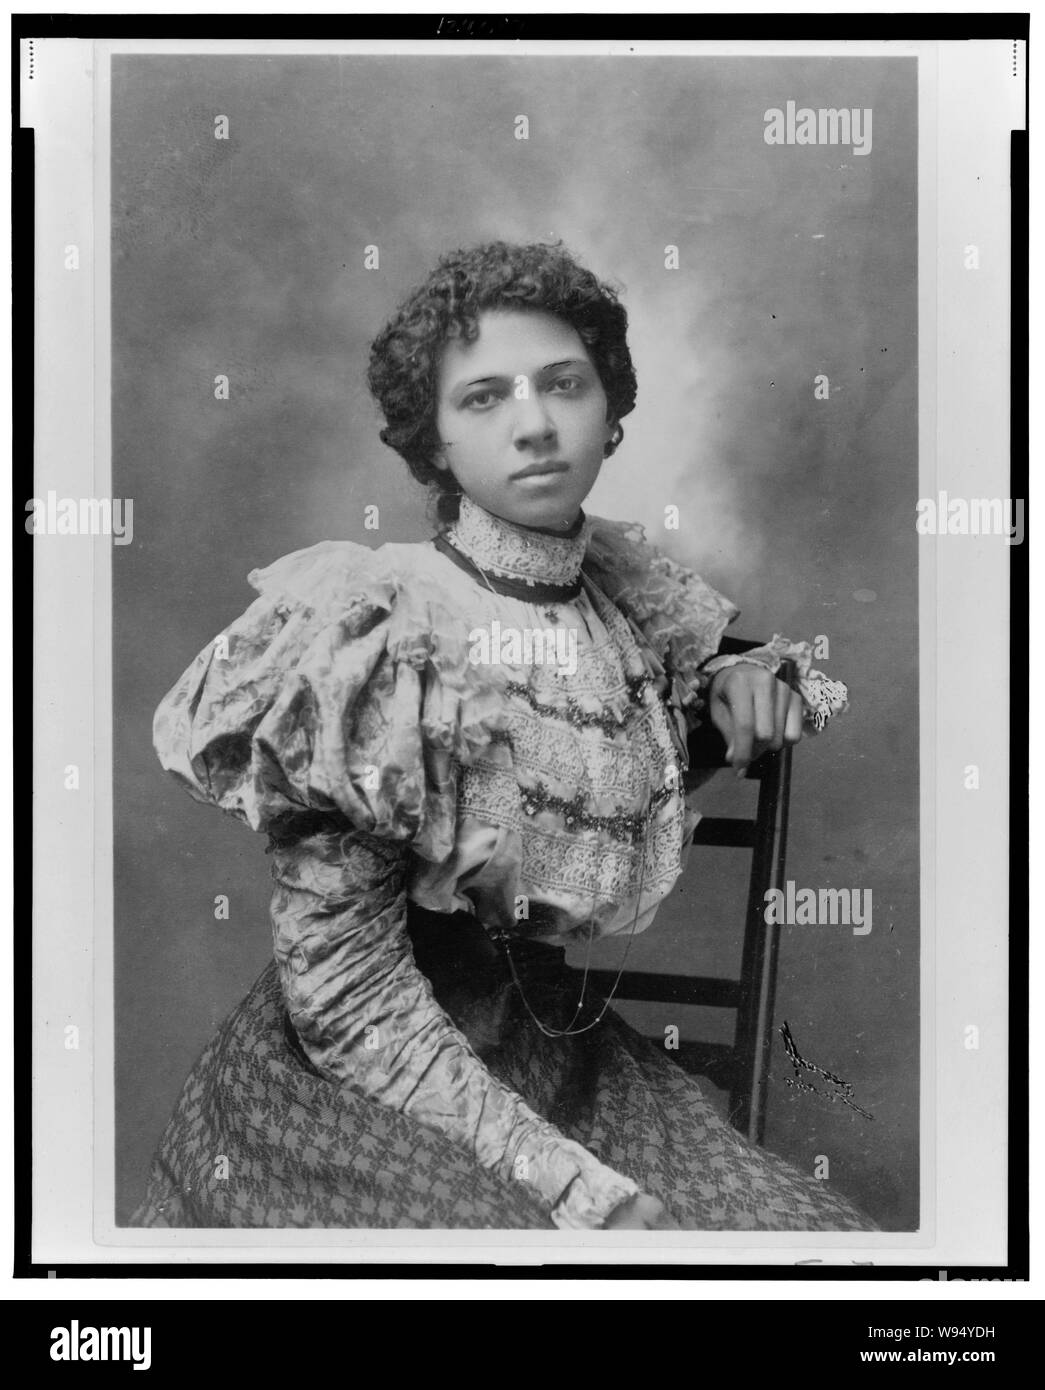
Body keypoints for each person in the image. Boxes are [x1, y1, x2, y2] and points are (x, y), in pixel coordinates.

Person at [132, 240, 868, 1232]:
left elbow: (677, 698)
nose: (532, 426)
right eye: (483, 398)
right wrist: (569, 1186)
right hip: (370, 1082)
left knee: (816, 1246)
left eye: (564, 385)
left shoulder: (621, 593)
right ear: (431, 437)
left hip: (563, 1059)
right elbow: (348, 1003)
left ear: (609, 415)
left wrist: (748, 675)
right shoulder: (376, 621)